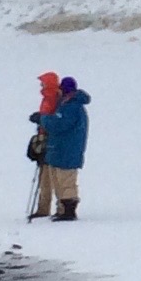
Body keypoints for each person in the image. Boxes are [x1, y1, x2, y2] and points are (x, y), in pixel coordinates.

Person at [32, 75, 91, 219]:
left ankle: (68, 211)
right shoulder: (67, 105)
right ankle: (63, 210)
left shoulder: (71, 107)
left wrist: (42, 119)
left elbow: (58, 124)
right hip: (62, 148)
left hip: (68, 149)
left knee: (66, 181)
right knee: (60, 180)